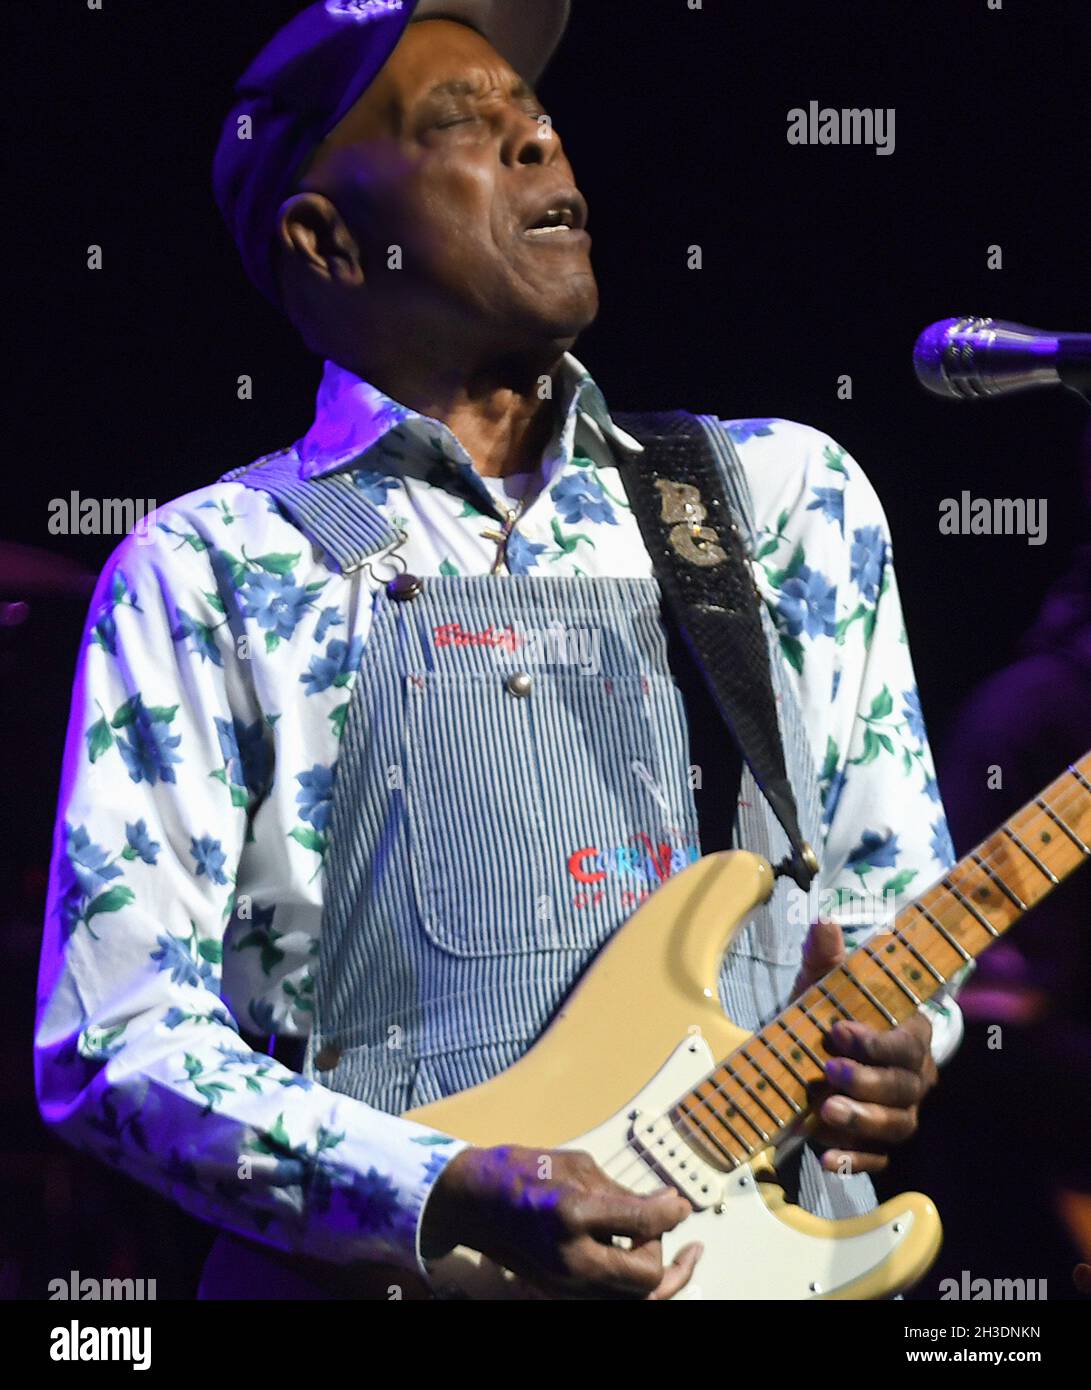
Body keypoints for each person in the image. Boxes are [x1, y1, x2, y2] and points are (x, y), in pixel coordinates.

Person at [34, 0, 965, 1301]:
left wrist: (901, 1031)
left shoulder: (787, 501)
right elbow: (112, 1038)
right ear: (328, 241)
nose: (537, 132)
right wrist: (444, 1188)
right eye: (459, 121)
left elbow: (895, 904)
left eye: (530, 103)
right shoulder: (211, 569)